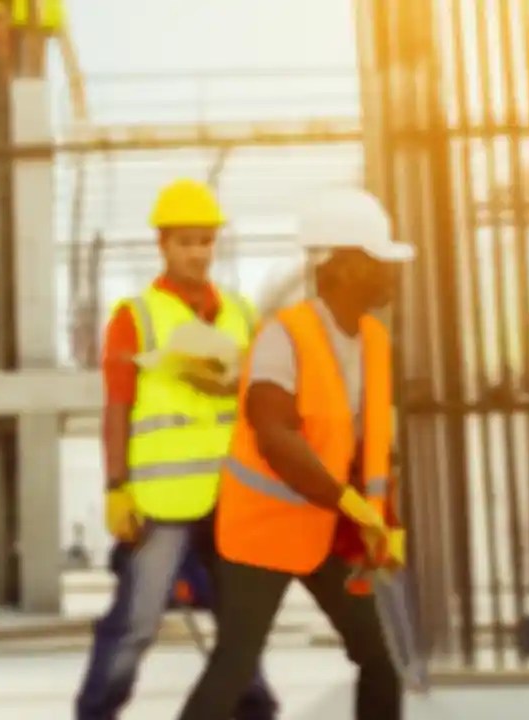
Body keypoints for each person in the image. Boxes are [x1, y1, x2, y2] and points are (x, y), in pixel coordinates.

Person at [176, 187, 413, 720]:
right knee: (235, 663)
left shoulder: (374, 341)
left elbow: (371, 444)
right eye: (380, 262)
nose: (392, 275)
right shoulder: (284, 337)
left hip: (328, 530)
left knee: (379, 658)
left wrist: (383, 518)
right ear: (344, 267)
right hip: (264, 529)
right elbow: (274, 435)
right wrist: (348, 503)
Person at [74, 179, 278, 719]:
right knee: (137, 624)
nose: (198, 253)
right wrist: (116, 487)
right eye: (186, 241)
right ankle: (97, 711)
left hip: (232, 497)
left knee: (240, 623)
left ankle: (253, 709)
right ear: (163, 245)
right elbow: (117, 406)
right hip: (161, 502)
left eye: (206, 241)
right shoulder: (135, 317)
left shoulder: (240, 314)